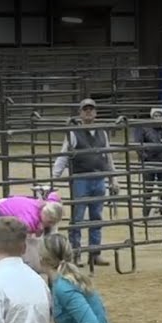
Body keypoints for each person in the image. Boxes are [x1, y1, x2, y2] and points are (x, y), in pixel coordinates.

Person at [52, 98, 118, 265]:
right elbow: (64, 155)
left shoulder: (102, 133)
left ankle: (94, 252)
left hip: (98, 178)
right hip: (81, 178)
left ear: (95, 112)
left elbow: (108, 156)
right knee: (78, 217)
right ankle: (76, 253)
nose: (88, 112)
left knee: (96, 216)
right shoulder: (73, 133)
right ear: (80, 113)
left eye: (91, 109)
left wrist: (113, 178)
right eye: (85, 109)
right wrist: (54, 177)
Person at [0, 190, 65, 273]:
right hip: (1, 214)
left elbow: (54, 196)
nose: (50, 224)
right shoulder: (29, 222)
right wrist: (38, 229)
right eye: (49, 222)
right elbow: (22, 232)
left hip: (8, 206)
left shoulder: (47, 206)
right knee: (11, 242)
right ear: (46, 215)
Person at [135, 107, 162, 219]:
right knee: (148, 189)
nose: (158, 118)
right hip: (149, 163)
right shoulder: (145, 129)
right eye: (156, 115)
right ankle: (145, 214)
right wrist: (144, 158)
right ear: (152, 117)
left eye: (160, 115)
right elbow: (138, 145)